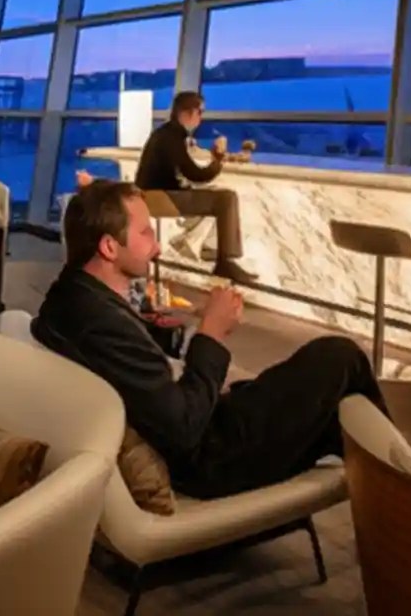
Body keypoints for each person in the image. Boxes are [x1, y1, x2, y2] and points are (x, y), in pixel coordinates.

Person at [32, 179, 390, 498]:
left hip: (198, 427)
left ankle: (389, 495)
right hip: (208, 457)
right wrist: (211, 334)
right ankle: (402, 488)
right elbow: (182, 429)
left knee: (320, 405)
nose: (157, 247)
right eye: (146, 233)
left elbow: (134, 371)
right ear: (110, 247)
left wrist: (170, 334)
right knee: (340, 357)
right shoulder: (100, 322)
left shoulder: (69, 299)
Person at [135, 90, 253, 283]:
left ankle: (206, 248)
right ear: (187, 112)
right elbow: (195, 175)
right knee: (226, 198)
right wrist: (217, 161)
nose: (201, 118)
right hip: (162, 197)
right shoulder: (174, 136)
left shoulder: (165, 133)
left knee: (215, 196)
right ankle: (223, 260)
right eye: (200, 112)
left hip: (153, 195)